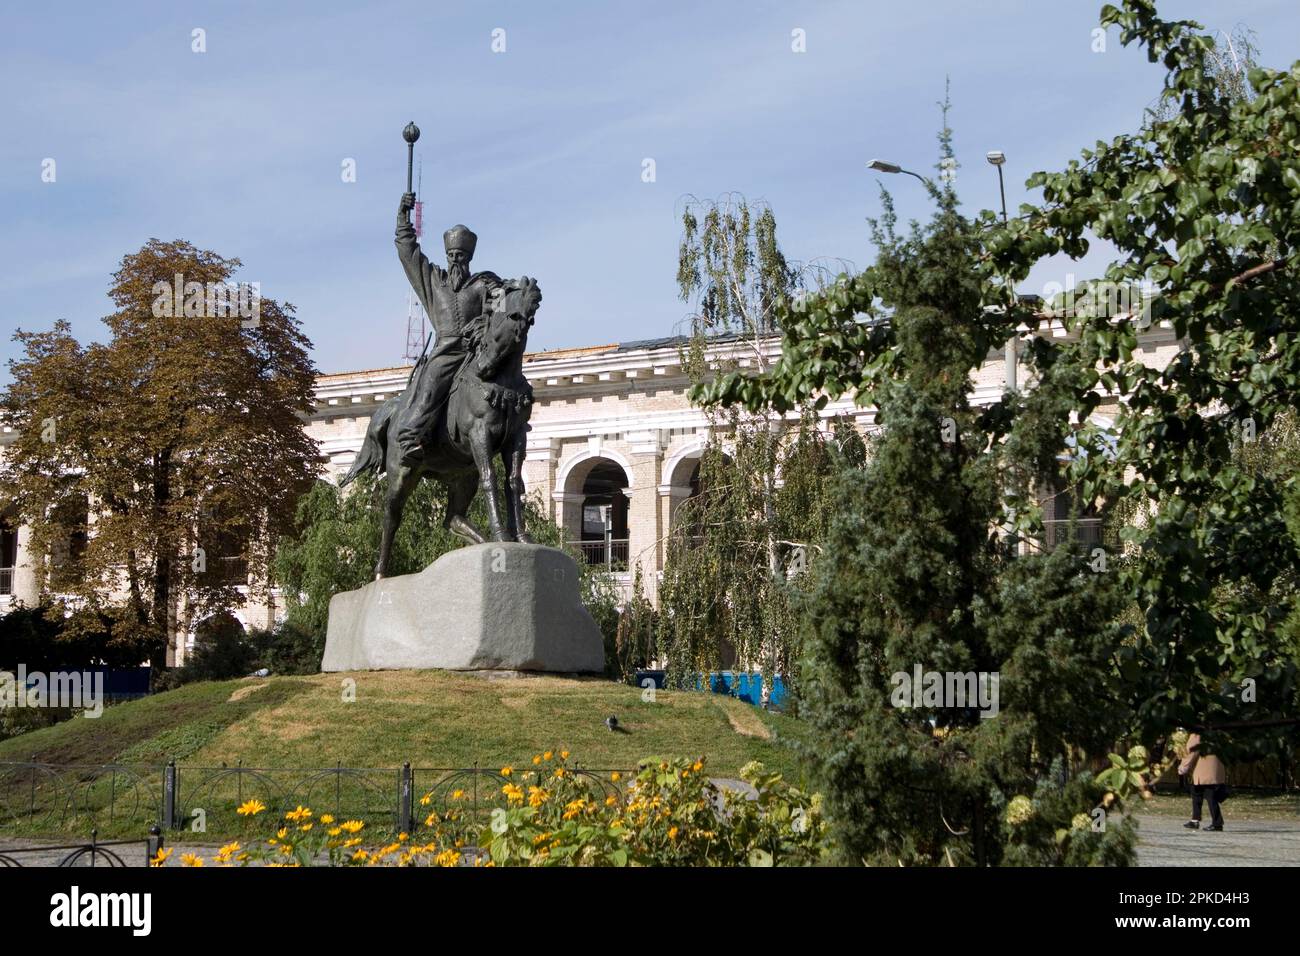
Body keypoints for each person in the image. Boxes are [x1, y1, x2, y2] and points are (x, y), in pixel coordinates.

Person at [393, 191, 503, 467]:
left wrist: (489, 318)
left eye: (461, 255)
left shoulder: (484, 283)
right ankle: (411, 438)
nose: (456, 260)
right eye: (452, 255)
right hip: (446, 351)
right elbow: (408, 252)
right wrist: (402, 216)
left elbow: (502, 309)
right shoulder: (433, 281)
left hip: (475, 351)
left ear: (469, 257)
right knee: (429, 387)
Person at [1178, 731, 1226, 831]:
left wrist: (1184, 766)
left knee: (1209, 795)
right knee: (1196, 792)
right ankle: (1195, 820)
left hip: (1203, 767)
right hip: (1215, 767)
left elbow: (1192, 751)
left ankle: (1217, 823)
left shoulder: (1197, 733)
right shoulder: (1218, 732)